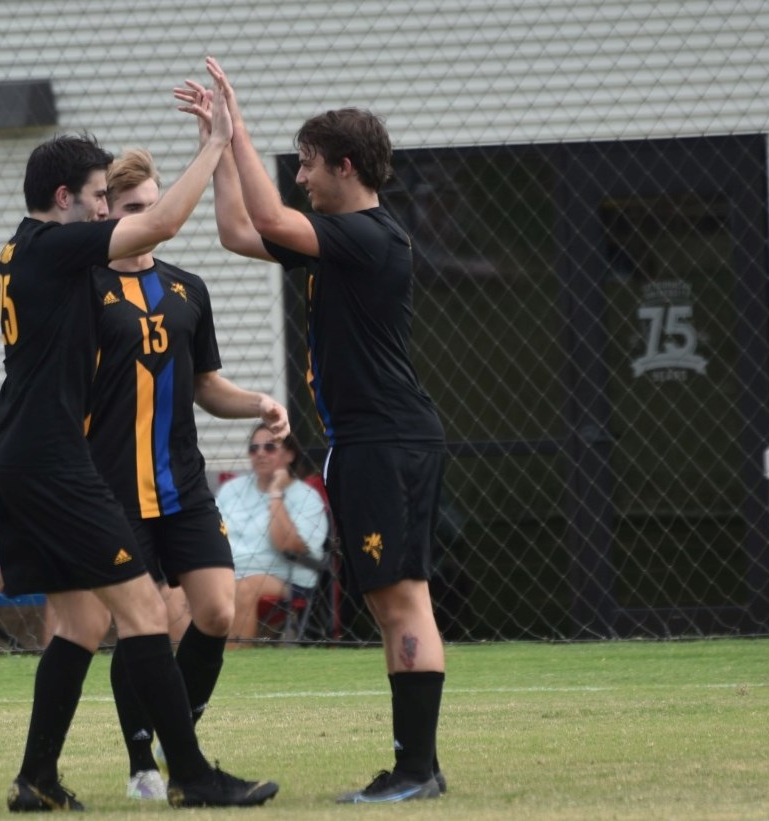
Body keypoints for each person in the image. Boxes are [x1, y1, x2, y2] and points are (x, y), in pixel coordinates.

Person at [0, 63, 278, 811]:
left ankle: (35, 780)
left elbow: (156, 251)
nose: (103, 210)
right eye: (95, 196)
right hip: (55, 460)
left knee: (82, 620)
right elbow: (160, 223)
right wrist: (216, 144)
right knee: (144, 613)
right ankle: (190, 776)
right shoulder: (56, 248)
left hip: (23, 454)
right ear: (66, 199)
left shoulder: (28, 250)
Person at [187, 59, 449, 803]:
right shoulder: (337, 237)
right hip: (378, 441)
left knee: (400, 601)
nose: (298, 177)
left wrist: (233, 129)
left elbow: (267, 217)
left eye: (304, 164)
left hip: (383, 441)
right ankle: (415, 766)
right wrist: (215, 147)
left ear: (342, 165)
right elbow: (240, 229)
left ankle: (414, 769)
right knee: (397, 600)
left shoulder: (367, 235)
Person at [72, 148, 289, 800]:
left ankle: (177, 736)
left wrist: (257, 402)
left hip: (183, 486)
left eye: (152, 202)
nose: (149, 217)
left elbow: (203, 386)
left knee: (218, 611)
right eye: (135, 207)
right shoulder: (81, 287)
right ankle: (144, 764)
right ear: (107, 210)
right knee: (138, 623)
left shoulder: (188, 288)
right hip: (111, 490)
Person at [217, 426, 328, 646]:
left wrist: (276, 493)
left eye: (269, 447)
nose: (260, 453)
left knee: (243, 588)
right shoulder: (232, 489)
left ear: (289, 454)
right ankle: (186, 674)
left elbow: (286, 543)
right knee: (175, 593)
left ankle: (236, 672)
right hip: (228, 571)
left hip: (286, 575)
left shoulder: (306, 496)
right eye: (253, 448)